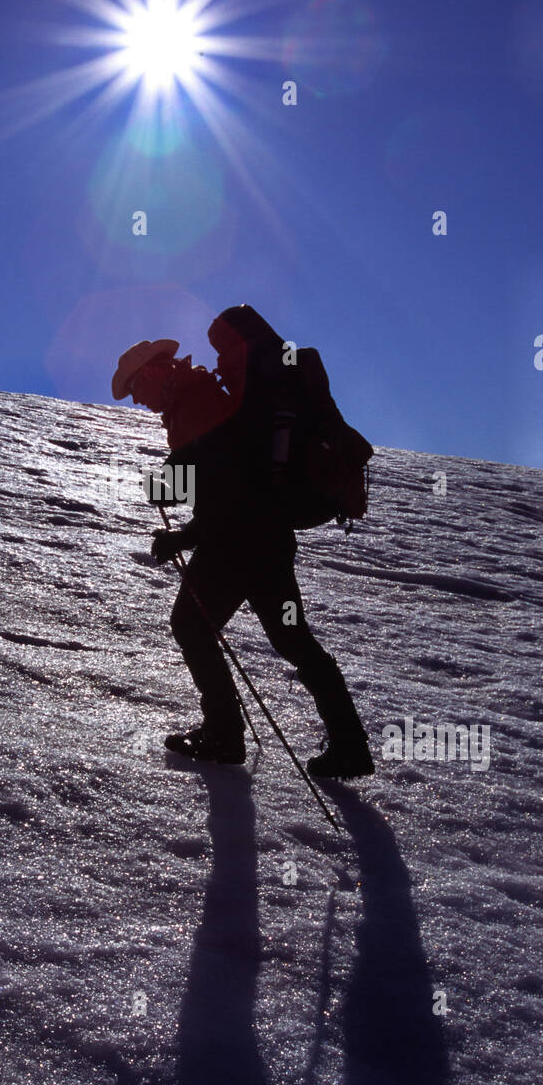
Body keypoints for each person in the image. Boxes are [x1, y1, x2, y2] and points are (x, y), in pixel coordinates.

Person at [112, 312, 373, 780]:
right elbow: (230, 485)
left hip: (238, 542)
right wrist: (184, 532)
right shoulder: (204, 395)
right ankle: (350, 745)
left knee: (190, 625)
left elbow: (215, 483)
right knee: (293, 641)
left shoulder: (194, 401)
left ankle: (223, 735)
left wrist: (172, 508)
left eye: (135, 389)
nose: (138, 401)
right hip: (266, 537)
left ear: (151, 371)